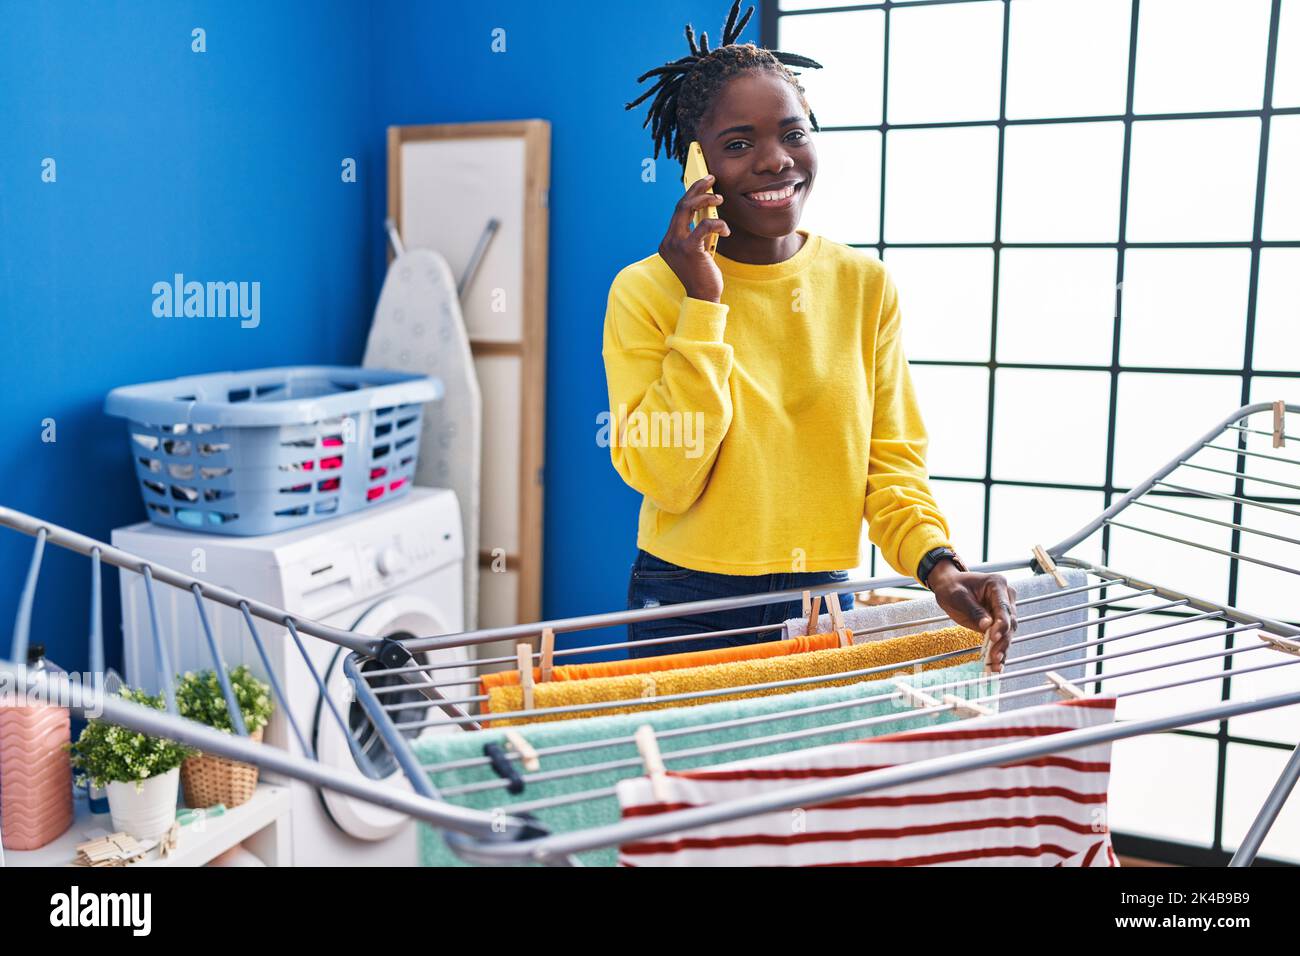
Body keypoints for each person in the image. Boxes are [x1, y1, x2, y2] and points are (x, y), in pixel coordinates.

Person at [603, 1, 1016, 668]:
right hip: (685, 597)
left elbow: (891, 462)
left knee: (811, 772)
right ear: (695, 165)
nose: (774, 161)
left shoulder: (863, 285)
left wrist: (940, 565)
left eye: (793, 134)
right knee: (691, 774)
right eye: (738, 145)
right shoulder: (645, 291)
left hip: (820, 600)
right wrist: (704, 304)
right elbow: (667, 477)